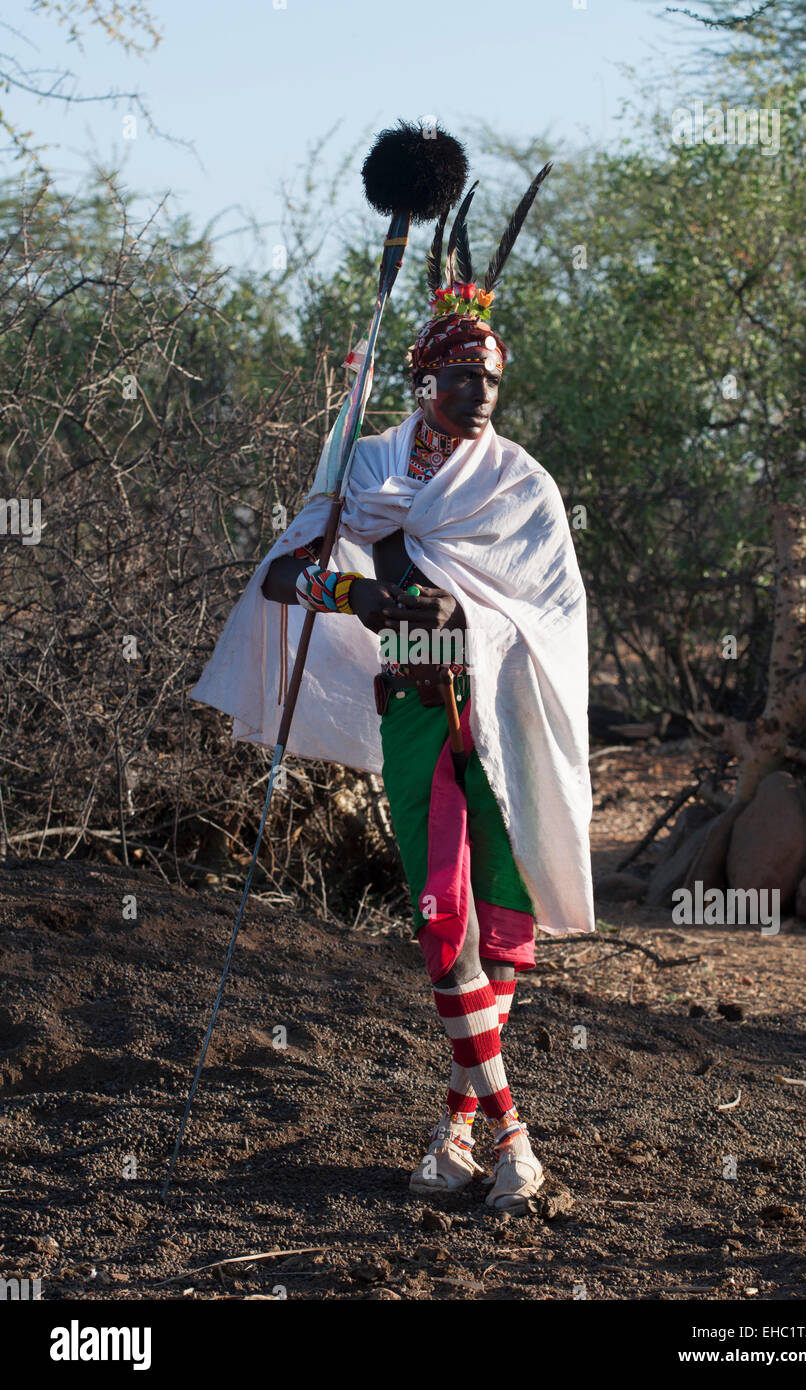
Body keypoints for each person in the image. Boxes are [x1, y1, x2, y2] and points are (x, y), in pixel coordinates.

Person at [190, 176, 595, 1215]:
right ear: (421, 380)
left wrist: (423, 605)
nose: (482, 394)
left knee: (501, 925)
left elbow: (528, 616)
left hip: (499, 711)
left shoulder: (518, 486)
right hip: (414, 708)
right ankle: (512, 1135)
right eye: (463, 378)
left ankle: (457, 1128)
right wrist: (350, 585)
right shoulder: (363, 463)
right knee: (439, 920)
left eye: (493, 379)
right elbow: (282, 578)